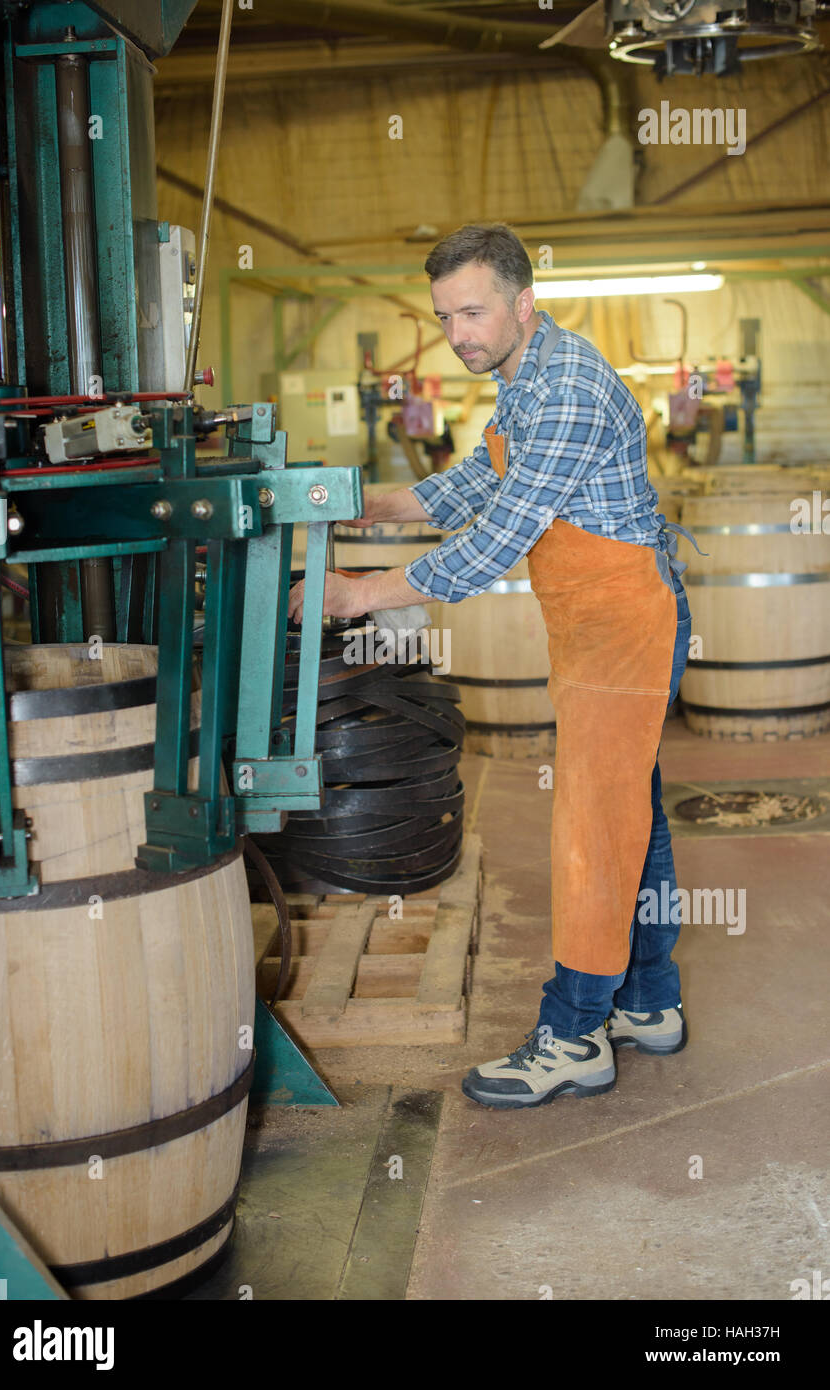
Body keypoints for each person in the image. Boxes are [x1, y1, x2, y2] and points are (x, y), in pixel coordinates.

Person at [288, 222, 695, 1110]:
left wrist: (365, 593)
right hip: (594, 623)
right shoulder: (522, 378)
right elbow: (476, 485)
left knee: (593, 824)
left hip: (625, 622)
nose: (460, 332)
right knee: (634, 812)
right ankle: (649, 1003)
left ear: (523, 301)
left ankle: (573, 1036)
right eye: (445, 317)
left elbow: (501, 538)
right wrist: (360, 503)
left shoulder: (569, 385)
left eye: (473, 311)